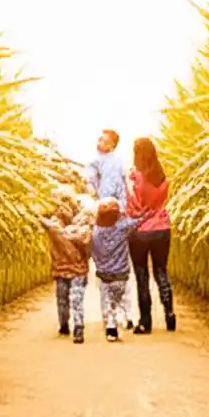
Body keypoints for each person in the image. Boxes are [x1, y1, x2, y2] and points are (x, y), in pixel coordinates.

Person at [83, 129, 134, 328]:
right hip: (107, 214)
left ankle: (119, 313)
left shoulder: (116, 163)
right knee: (114, 265)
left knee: (114, 265)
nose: (99, 141)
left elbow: (122, 188)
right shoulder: (94, 161)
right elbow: (89, 185)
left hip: (112, 215)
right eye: (99, 138)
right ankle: (120, 312)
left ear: (111, 144)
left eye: (103, 139)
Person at [127, 137, 176, 333]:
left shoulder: (135, 177)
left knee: (141, 275)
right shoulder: (161, 176)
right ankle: (169, 313)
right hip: (163, 228)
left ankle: (145, 323)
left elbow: (132, 207)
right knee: (161, 272)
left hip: (140, 232)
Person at [90, 196, 151, 342]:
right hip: (121, 274)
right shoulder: (121, 228)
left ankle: (111, 328)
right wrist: (147, 212)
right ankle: (122, 319)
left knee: (107, 301)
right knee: (121, 299)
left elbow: (93, 252)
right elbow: (137, 221)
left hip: (104, 275)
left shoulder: (95, 233)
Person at [39, 188, 91, 344]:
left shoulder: (54, 227)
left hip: (64, 270)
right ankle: (76, 327)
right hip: (78, 271)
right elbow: (88, 248)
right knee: (76, 299)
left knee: (63, 299)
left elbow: (44, 221)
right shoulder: (84, 228)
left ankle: (67, 326)